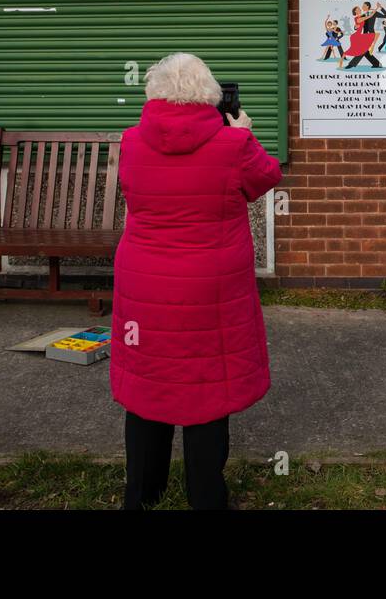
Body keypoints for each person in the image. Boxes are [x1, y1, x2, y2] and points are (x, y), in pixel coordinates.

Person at [110, 52, 282, 509]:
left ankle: (143, 492)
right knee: (208, 385)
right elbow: (267, 177)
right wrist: (242, 134)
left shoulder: (129, 141)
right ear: (210, 96)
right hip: (211, 284)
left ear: (154, 92)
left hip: (145, 282)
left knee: (148, 383)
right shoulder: (233, 145)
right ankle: (206, 496)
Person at [342, 2, 386, 69]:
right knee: (364, 51)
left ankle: (351, 64)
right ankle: (376, 63)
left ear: (368, 6)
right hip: (364, 35)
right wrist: (355, 27)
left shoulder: (374, 12)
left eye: (364, 5)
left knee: (362, 50)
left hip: (371, 34)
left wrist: (380, 8)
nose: (362, 7)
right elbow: (357, 25)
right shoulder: (362, 15)